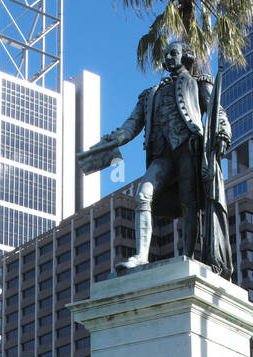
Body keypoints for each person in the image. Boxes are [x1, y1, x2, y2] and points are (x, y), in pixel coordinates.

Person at [81, 39, 232, 275]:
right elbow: (130, 127)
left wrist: (222, 134)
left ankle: (188, 257)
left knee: (189, 203)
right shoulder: (150, 95)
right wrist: (106, 144)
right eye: (167, 55)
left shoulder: (199, 83)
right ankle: (141, 256)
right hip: (162, 155)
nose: (169, 58)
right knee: (143, 195)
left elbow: (216, 111)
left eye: (174, 53)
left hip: (189, 149)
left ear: (186, 56)